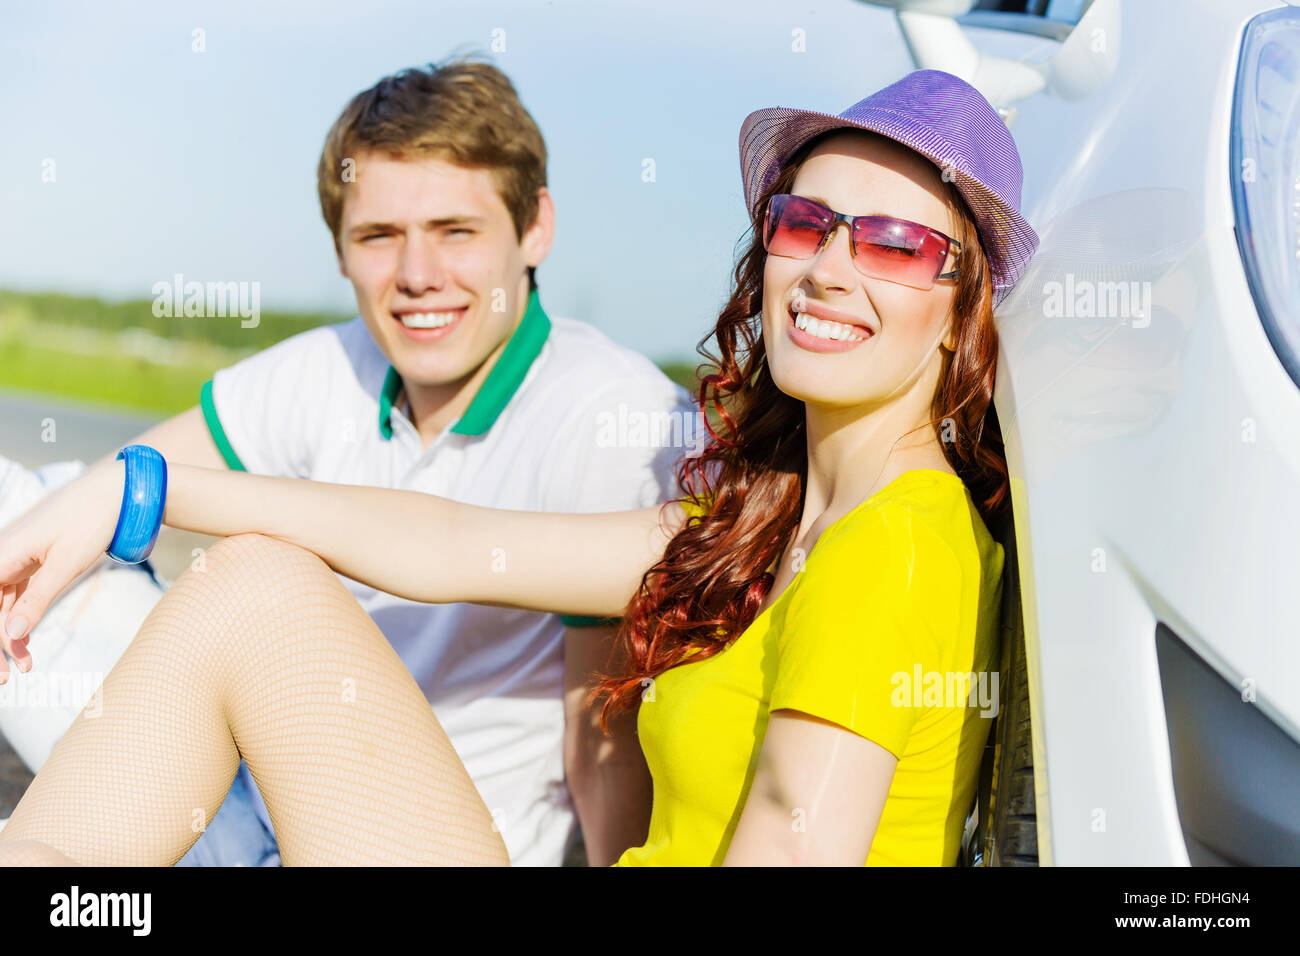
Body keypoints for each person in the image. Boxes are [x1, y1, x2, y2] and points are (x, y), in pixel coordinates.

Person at [0, 69, 1039, 866]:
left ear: (960, 312)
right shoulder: (763, 522)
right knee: (253, 580)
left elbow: (792, 839)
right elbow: (448, 541)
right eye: (803, 222)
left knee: (249, 594)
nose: (828, 266)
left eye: (896, 245)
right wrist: (141, 487)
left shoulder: (896, 544)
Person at [0, 57, 695, 867]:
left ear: (535, 227)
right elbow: (98, 489)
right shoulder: (331, 364)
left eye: (455, 232)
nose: (417, 277)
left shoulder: (614, 415)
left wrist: (133, 489)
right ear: (338, 247)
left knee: (254, 574)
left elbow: (603, 746)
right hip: (250, 801)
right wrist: (108, 495)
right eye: (379, 236)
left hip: (402, 836)